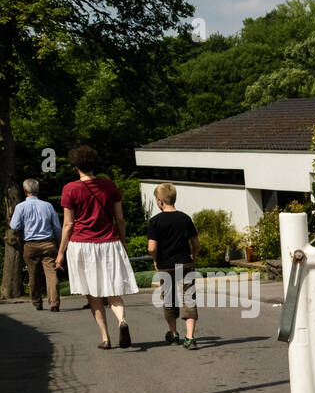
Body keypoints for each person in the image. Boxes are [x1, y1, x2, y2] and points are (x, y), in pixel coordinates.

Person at [54, 145, 138, 349]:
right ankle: (122, 320)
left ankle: (105, 338)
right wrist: (123, 242)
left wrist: (60, 253)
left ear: (75, 166)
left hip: (82, 245)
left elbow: (68, 224)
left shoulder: (70, 189)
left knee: (93, 293)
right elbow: (119, 218)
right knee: (113, 289)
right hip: (109, 243)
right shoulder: (109, 186)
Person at [147, 183, 200, 349]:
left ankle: (174, 333)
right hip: (185, 263)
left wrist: (155, 260)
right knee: (189, 299)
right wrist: (193, 255)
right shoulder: (185, 218)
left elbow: (151, 248)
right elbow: (196, 243)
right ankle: (190, 337)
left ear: (160, 201)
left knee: (169, 300)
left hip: (166, 265)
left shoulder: (155, 221)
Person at [9, 178, 62, 311]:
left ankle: (37, 302)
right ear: (37, 190)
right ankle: (54, 302)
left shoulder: (20, 207)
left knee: (33, 275)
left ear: (25, 190)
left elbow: (14, 226)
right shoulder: (48, 206)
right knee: (51, 274)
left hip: (30, 245)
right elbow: (57, 227)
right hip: (48, 244)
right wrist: (59, 243)